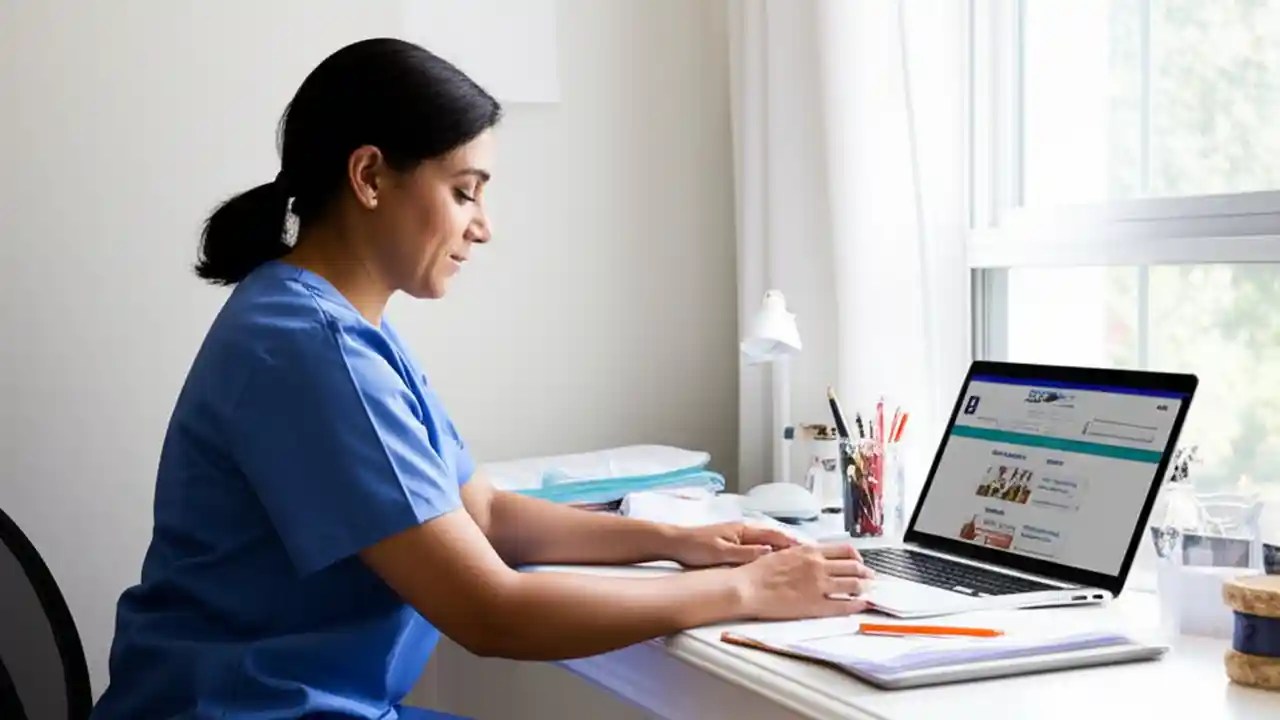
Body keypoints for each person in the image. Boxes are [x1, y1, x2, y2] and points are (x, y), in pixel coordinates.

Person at [90, 38, 873, 720]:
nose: (483, 225)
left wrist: (683, 542)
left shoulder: (336, 328)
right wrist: (749, 592)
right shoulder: (311, 347)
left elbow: (486, 513)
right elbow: (489, 612)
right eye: (464, 191)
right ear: (369, 175)